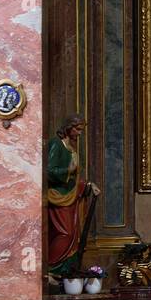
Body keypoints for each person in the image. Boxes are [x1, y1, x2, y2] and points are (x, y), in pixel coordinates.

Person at [46, 114, 100, 272]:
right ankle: (51, 267)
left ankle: (64, 270)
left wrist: (88, 185)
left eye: (81, 130)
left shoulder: (71, 148)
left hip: (69, 197)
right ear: (68, 128)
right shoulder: (56, 144)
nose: (79, 133)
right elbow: (48, 171)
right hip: (58, 197)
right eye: (77, 129)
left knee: (73, 235)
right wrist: (67, 170)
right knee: (65, 234)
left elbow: (73, 179)